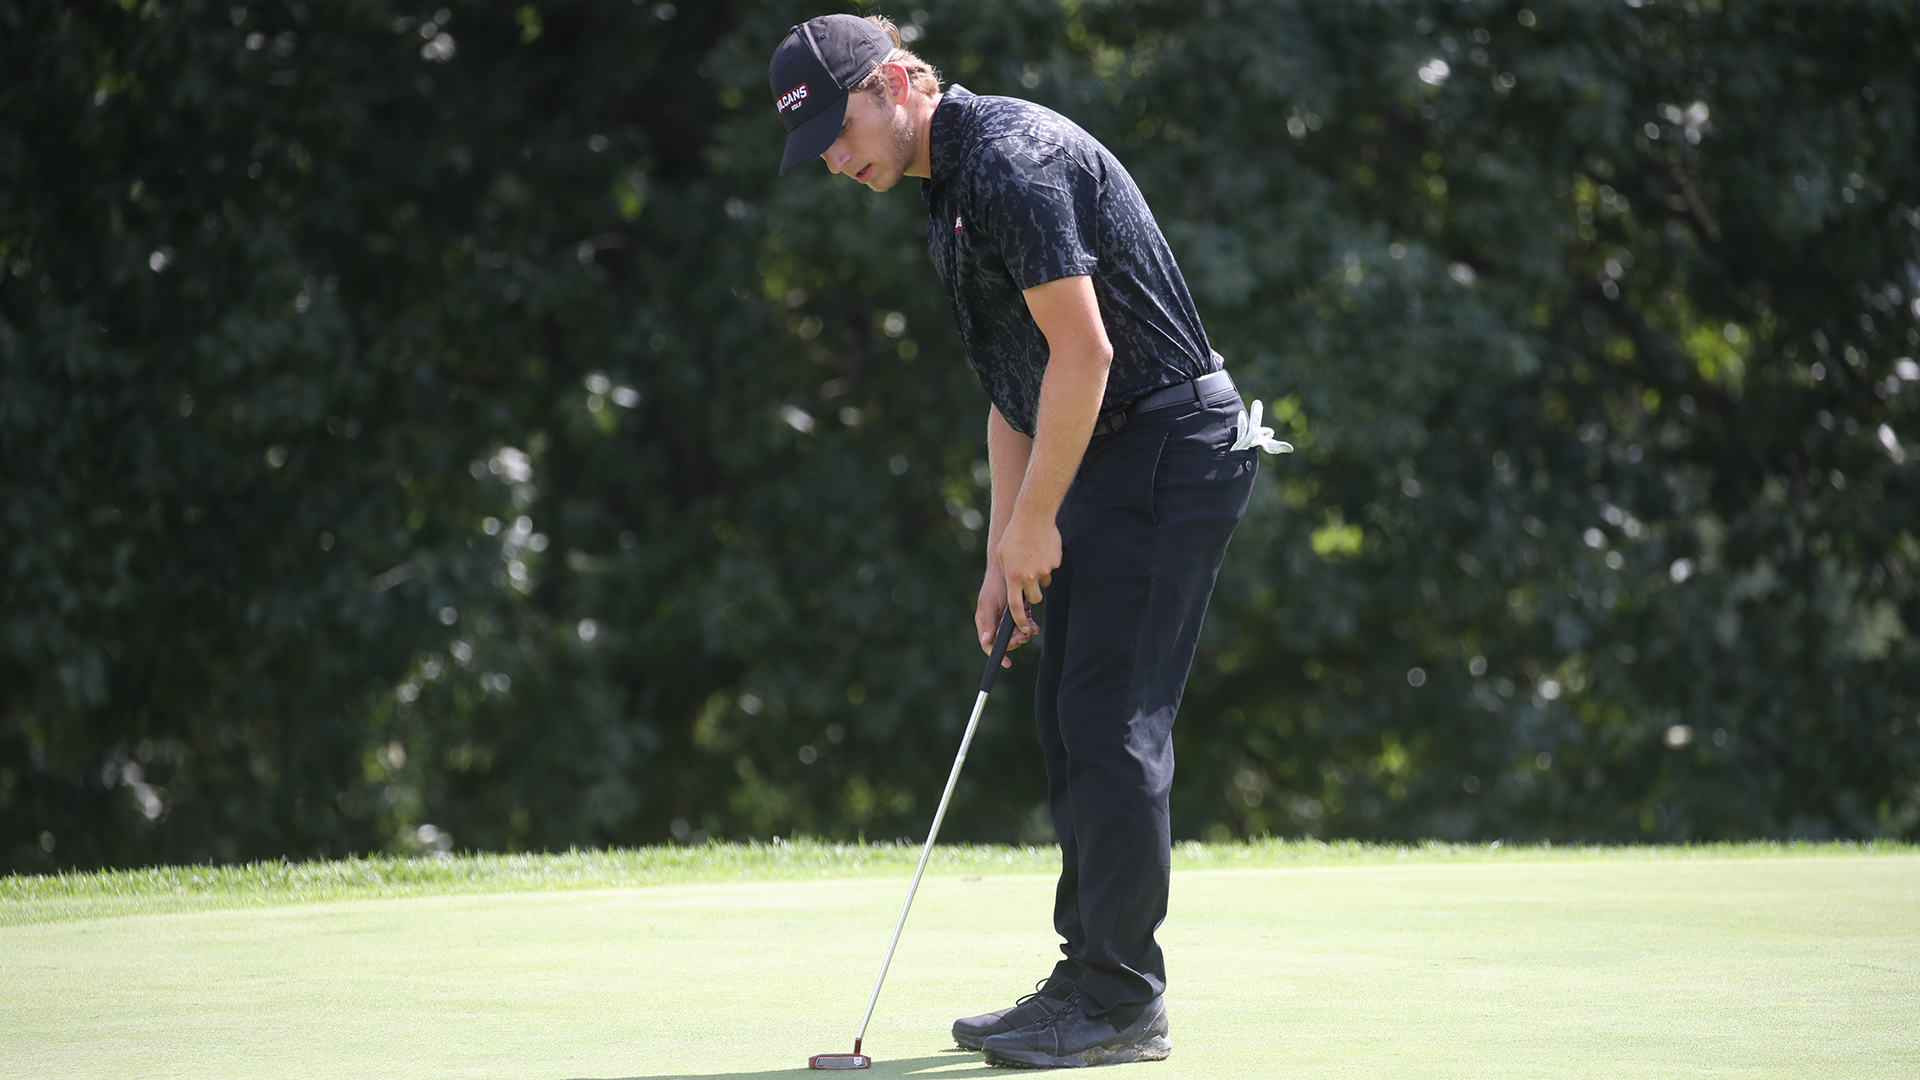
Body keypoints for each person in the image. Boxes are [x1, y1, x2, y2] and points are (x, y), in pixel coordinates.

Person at [769, 13, 1286, 1069]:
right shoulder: (945, 196)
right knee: (1067, 717)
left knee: (1110, 721)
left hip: (1166, 443)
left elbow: (1085, 356)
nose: (833, 157)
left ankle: (1123, 999)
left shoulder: (1010, 159)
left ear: (899, 80)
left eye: (839, 125)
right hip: (1102, 446)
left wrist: (1039, 521)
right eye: (816, 143)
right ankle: (1087, 975)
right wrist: (1006, 548)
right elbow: (1016, 391)